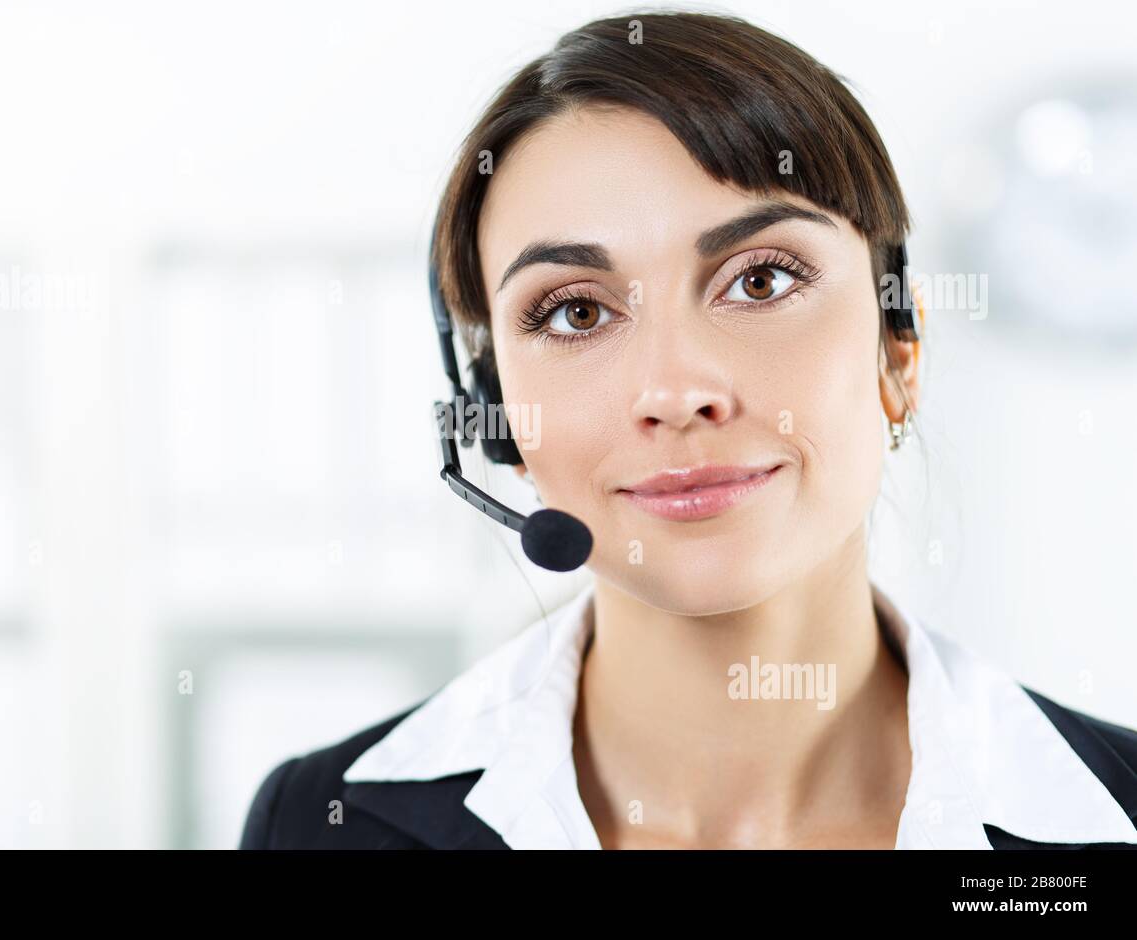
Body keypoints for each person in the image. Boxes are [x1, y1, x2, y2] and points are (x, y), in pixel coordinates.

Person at [240, 10, 1137, 850]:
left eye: (760, 280)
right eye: (576, 314)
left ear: (897, 354)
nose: (675, 391)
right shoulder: (321, 827)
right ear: (494, 413)